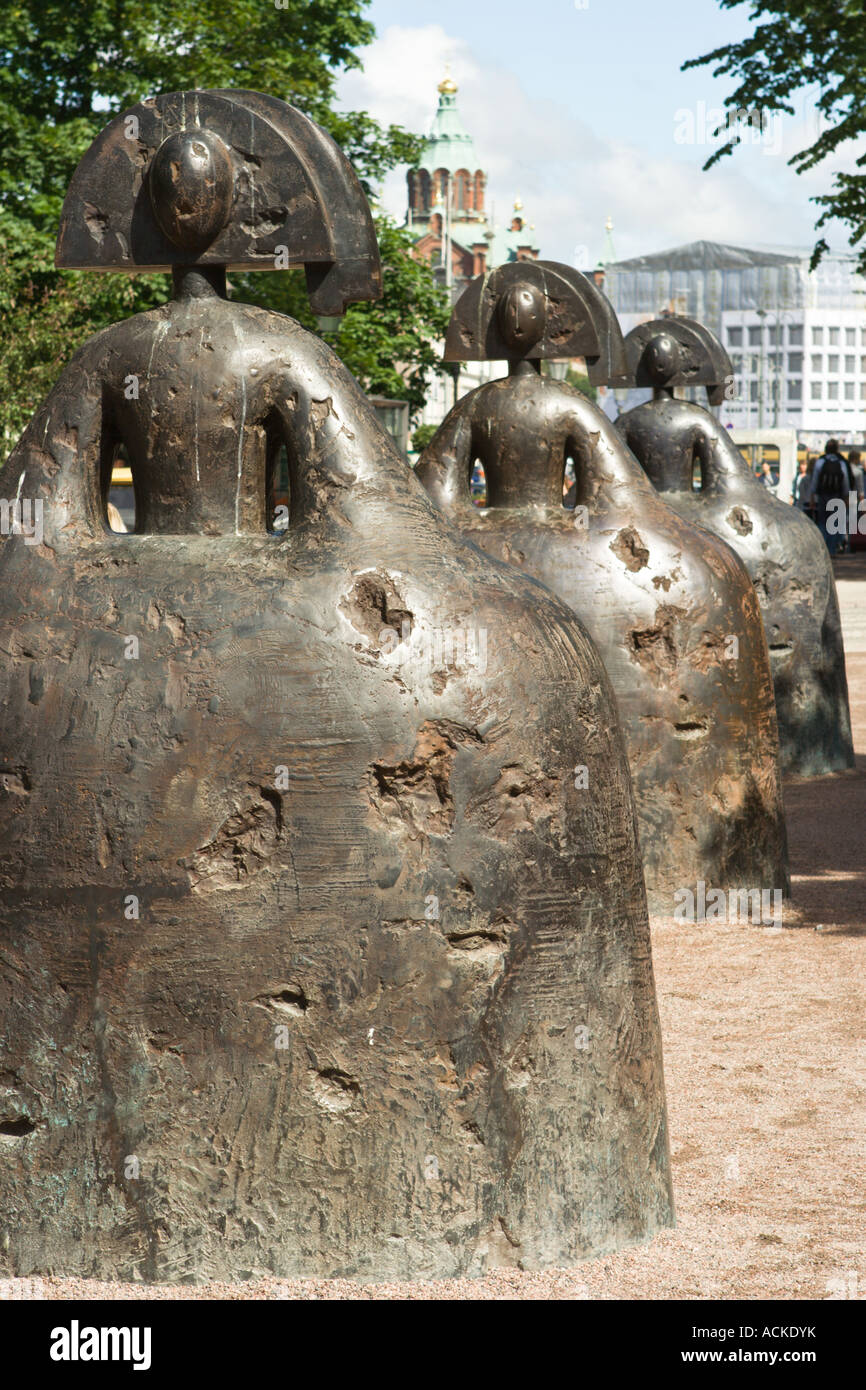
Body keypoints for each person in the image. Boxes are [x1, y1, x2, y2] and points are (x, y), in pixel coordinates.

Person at [811, 439, 852, 556]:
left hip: (823, 496)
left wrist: (812, 496)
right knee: (834, 524)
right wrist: (846, 496)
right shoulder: (842, 462)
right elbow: (845, 481)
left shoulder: (820, 461)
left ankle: (823, 549)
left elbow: (815, 480)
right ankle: (832, 549)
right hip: (837, 497)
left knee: (822, 522)